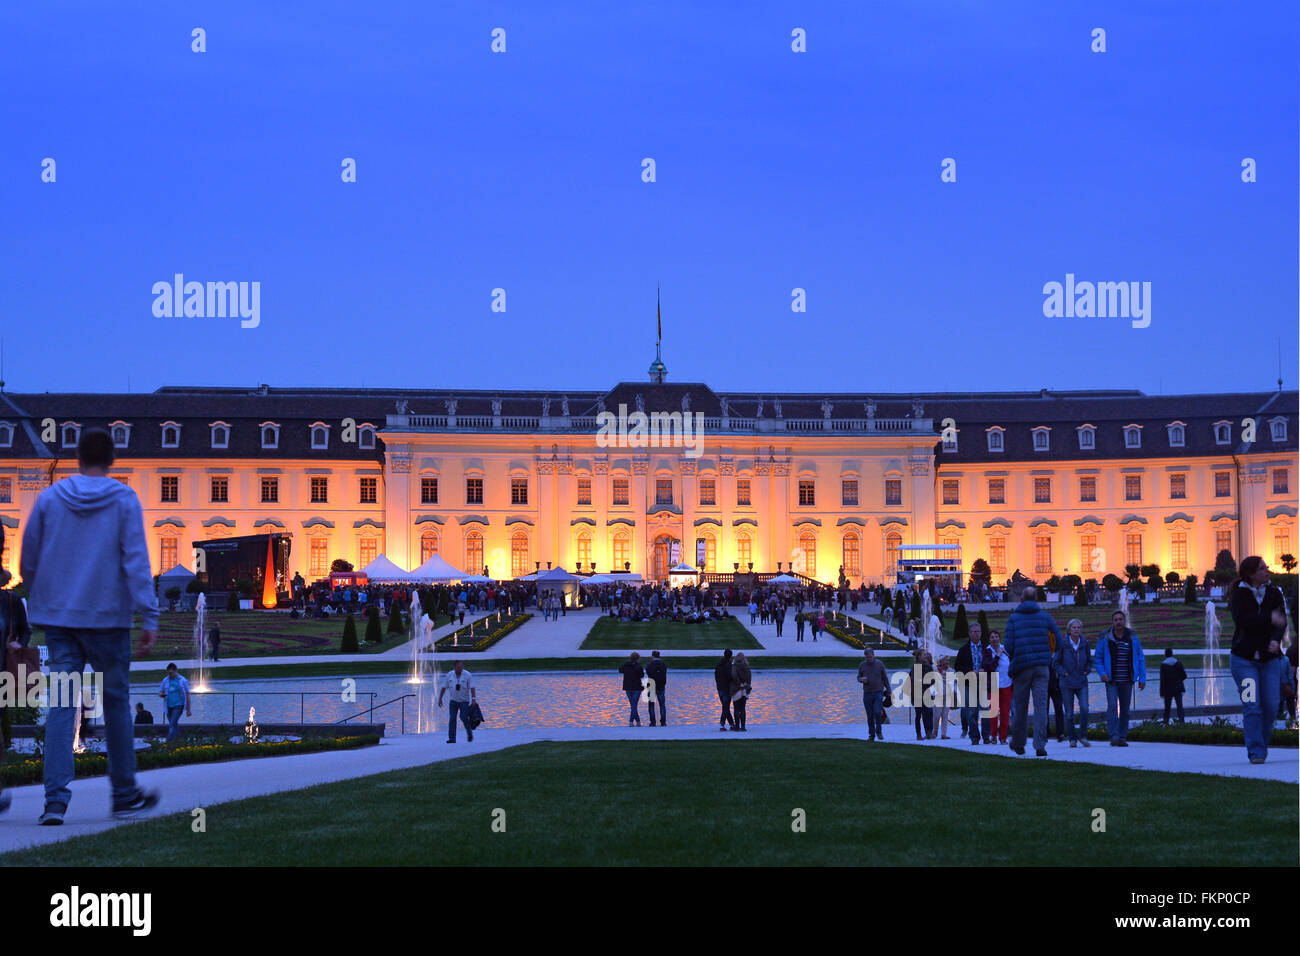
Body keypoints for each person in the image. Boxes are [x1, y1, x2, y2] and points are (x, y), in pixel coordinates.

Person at [21, 428, 162, 825]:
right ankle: (123, 794)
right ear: (112, 459)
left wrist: (37, 594)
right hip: (108, 622)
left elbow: (28, 556)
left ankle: (54, 803)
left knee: (62, 707)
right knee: (116, 704)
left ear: (77, 458)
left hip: (61, 621)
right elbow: (136, 562)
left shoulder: (50, 499)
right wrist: (148, 615)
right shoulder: (123, 500)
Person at [1227, 555, 1288, 764]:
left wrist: (1275, 640)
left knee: (1271, 705)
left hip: (1269, 660)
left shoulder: (1274, 593)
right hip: (1243, 661)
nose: (1267, 570)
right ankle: (1256, 751)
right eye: (1262, 568)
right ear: (1251, 573)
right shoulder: (1239, 595)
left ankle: (1261, 744)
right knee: (1252, 705)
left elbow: (1281, 622)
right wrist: (1268, 619)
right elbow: (1244, 621)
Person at [1003, 590, 1062, 756]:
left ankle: (1019, 743)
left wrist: (1017, 655)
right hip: (1042, 666)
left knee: (1021, 707)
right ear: (1036, 599)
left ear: (1021, 599)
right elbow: (1059, 640)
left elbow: (1008, 645)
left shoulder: (1014, 618)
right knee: (1041, 706)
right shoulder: (1045, 617)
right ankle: (1040, 745)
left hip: (1022, 667)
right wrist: (1050, 654)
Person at [1094, 610, 1147, 747]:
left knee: (1125, 710)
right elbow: (1098, 658)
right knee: (1112, 707)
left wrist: (1142, 678)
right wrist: (1102, 673)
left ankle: (1122, 736)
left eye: (1120, 619)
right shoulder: (1105, 638)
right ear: (1112, 622)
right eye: (1116, 620)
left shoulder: (1133, 637)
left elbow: (1140, 658)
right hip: (1111, 680)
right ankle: (1113, 735)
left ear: (1124, 621)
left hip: (1127, 679)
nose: (1118, 622)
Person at [1054, 618, 1092, 748]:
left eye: (1078, 627)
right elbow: (1056, 663)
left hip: (1081, 681)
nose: (1076, 630)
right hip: (1067, 683)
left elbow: (1089, 661)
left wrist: (1087, 671)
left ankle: (1083, 735)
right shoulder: (1062, 644)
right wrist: (1064, 673)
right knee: (1069, 713)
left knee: (1085, 709)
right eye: (1074, 628)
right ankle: (1072, 738)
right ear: (1069, 630)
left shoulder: (1085, 643)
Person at [954, 622, 985, 744]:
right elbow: (957, 666)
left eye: (979, 631)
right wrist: (971, 671)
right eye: (974, 631)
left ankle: (986, 735)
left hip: (984, 682)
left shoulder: (986, 648)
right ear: (970, 633)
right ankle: (975, 737)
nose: (977, 634)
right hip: (969, 683)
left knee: (986, 710)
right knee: (971, 711)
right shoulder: (963, 650)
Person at [437, 659, 477, 743]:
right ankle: (452, 738)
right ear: (454, 667)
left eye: (461, 666)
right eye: (459, 667)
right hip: (453, 701)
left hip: (464, 701)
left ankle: (469, 733)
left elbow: (472, 687)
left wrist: (473, 699)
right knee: (452, 719)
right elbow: (444, 687)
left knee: (463, 717)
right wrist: (440, 698)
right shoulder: (449, 675)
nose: (460, 668)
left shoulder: (467, 675)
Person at [857, 648, 888, 741]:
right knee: (870, 715)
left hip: (878, 692)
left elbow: (885, 678)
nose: (869, 659)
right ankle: (871, 735)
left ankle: (879, 732)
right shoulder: (862, 665)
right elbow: (858, 677)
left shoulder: (879, 664)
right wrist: (861, 679)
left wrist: (889, 690)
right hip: (867, 693)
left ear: (873, 655)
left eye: (870, 657)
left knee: (878, 712)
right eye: (867, 657)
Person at [985, 630, 1011, 743]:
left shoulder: (1005, 649)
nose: (994, 639)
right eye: (992, 637)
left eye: (996, 637)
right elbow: (990, 667)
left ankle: (1003, 737)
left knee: (1005, 713)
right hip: (994, 685)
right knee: (994, 712)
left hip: (1007, 684)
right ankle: (994, 735)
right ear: (989, 640)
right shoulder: (987, 652)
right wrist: (997, 656)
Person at [158, 663, 192, 742]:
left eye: (171, 673)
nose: (170, 675)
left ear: (176, 671)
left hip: (178, 706)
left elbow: (187, 694)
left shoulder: (183, 680)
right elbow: (160, 691)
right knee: (174, 725)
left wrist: (188, 709)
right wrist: (161, 694)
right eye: (168, 673)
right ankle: (180, 740)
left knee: (172, 725)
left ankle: (168, 743)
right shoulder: (165, 680)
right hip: (168, 706)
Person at [1159, 648, 1188, 723]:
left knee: (1167, 708)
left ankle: (1166, 722)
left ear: (1165, 655)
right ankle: (1182, 722)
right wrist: (1178, 680)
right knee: (1179, 707)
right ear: (1172, 654)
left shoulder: (1163, 665)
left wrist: (1161, 692)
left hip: (1167, 689)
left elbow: (1162, 680)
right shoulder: (1178, 663)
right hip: (1178, 688)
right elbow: (1184, 676)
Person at [619, 652, 645, 726]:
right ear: (637, 659)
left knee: (633, 705)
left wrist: (626, 664)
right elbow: (642, 675)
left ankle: (637, 722)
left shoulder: (626, 665)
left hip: (628, 687)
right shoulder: (638, 666)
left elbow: (620, 670)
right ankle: (632, 722)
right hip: (636, 687)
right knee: (634, 705)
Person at [715, 649, 736, 730]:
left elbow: (716, 676)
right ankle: (722, 724)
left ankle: (732, 724)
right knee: (726, 707)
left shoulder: (719, 664)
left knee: (725, 707)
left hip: (720, 688)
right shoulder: (729, 665)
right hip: (726, 689)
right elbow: (730, 677)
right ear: (731, 656)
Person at [730, 652, 752, 730]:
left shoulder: (734, 667)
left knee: (736, 708)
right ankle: (743, 727)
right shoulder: (747, 667)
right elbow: (749, 678)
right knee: (743, 708)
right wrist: (746, 684)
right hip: (745, 689)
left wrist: (739, 684)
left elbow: (734, 676)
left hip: (736, 689)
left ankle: (737, 727)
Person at [645, 650, 668, 726]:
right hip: (661, 685)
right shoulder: (663, 664)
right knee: (662, 704)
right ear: (659, 656)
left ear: (652, 656)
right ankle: (663, 721)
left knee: (651, 705)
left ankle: (653, 722)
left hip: (651, 685)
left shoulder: (649, 664)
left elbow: (648, 672)